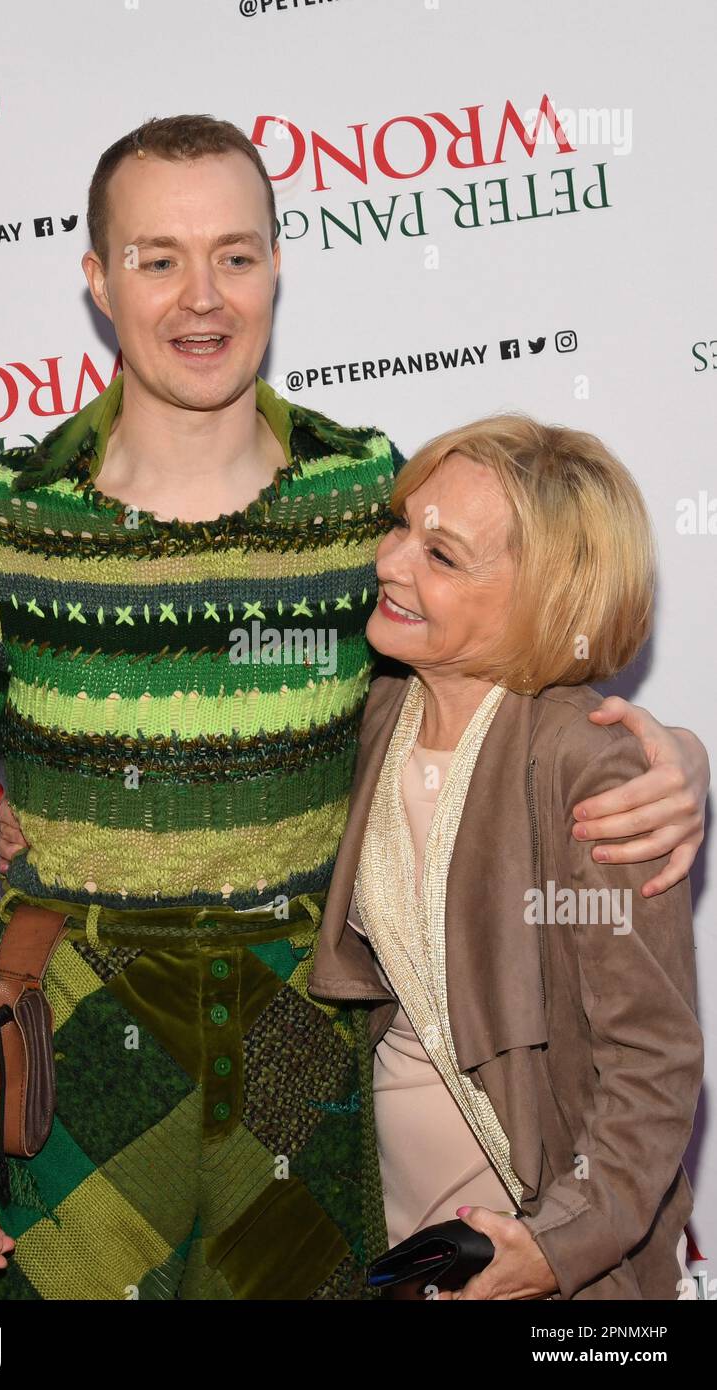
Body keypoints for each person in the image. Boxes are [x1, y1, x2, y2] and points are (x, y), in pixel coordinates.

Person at [0, 114, 709, 1302]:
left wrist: (673, 752)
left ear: (277, 263)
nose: (202, 298)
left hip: (302, 1042)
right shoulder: (2, 522)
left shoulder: (373, 501)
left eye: (237, 255)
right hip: (72, 1038)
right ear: (98, 279)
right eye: (159, 258)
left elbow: (513, 669)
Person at [307, 414, 705, 1300]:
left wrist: (561, 1243)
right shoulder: (377, 716)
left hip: (531, 1250)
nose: (391, 560)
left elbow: (650, 1056)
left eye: (442, 556)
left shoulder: (583, 766)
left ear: (549, 598)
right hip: (400, 1240)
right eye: (401, 525)